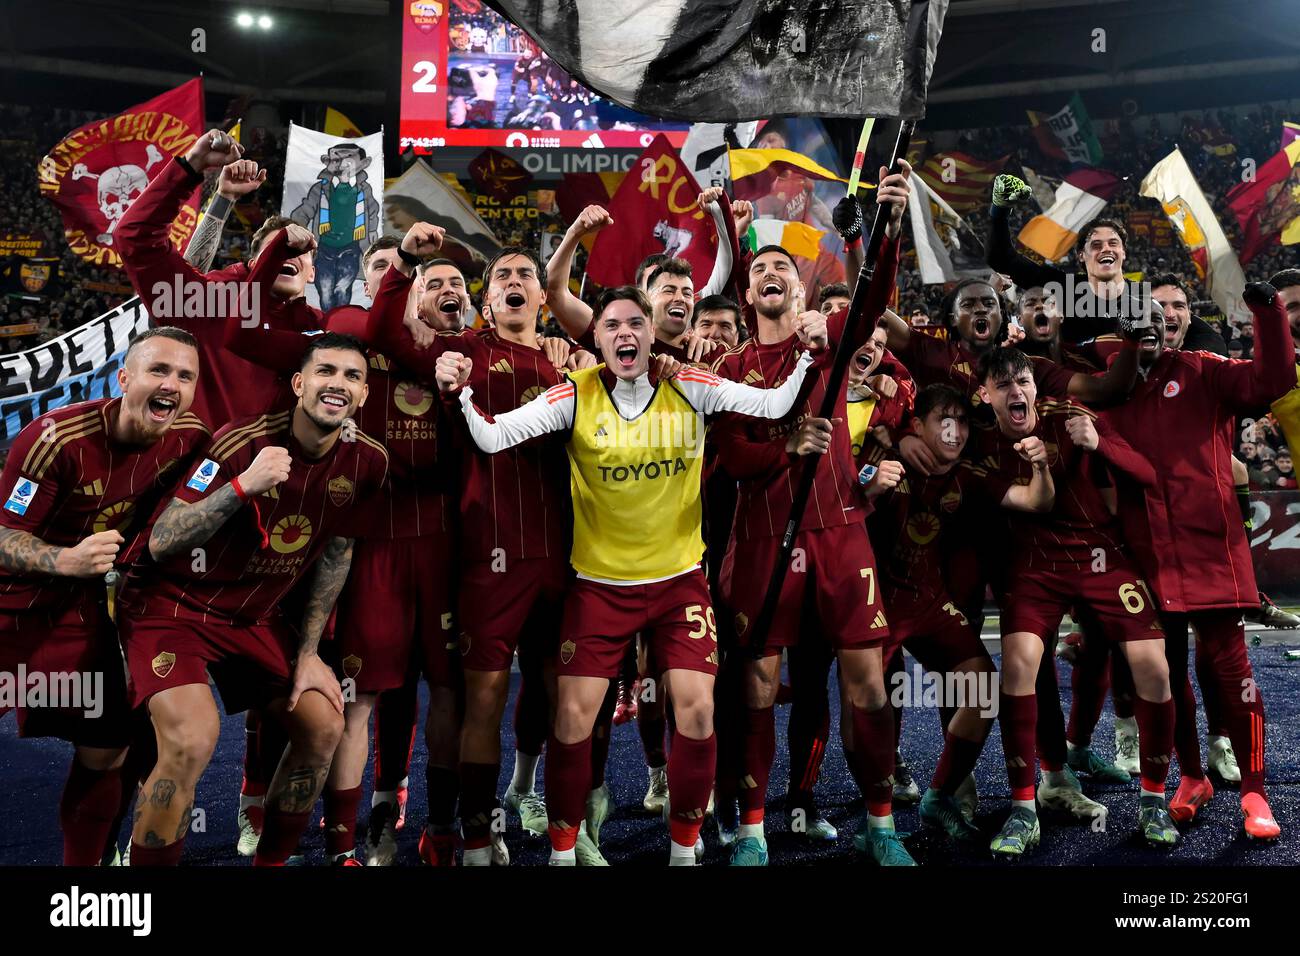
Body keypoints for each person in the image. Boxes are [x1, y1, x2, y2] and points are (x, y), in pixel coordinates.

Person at [439, 285, 826, 865]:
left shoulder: (688, 383)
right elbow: (494, 436)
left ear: (650, 336)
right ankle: (564, 853)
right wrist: (461, 395)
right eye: (612, 325)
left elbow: (771, 407)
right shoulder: (574, 393)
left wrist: (806, 355)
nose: (625, 333)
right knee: (571, 718)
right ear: (595, 340)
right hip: (598, 588)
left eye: (635, 324)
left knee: (696, 709)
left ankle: (683, 851)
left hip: (679, 584)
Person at [220, 230, 470, 865]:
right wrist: (270, 255)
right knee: (348, 693)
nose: (404, 277)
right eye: (385, 268)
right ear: (372, 285)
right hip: (364, 539)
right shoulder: (344, 347)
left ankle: (424, 818)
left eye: (431, 276)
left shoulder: (460, 351)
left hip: (442, 537)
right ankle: (336, 838)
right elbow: (242, 334)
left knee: (442, 687)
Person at [364, 226, 592, 864]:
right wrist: (441, 367)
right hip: (485, 555)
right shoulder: (458, 350)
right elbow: (387, 334)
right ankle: (471, 834)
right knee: (480, 699)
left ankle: (562, 817)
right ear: (486, 303)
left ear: (542, 301)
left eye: (525, 276)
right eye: (502, 278)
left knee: (559, 693)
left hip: (563, 554)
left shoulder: (573, 363)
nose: (515, 283)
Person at [115, 332, 388, 865]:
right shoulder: (242, 443)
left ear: (363, 396)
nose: (338, 384)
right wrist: (242, 486)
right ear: (299, 383)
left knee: (324, 727)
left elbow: (336, 555)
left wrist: (308, 654)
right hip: (174, 606)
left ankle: (270, 863)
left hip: (253, 616)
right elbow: (163, 539)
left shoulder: (367, 462)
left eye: (352, 377)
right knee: (193, 738)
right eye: (326, 371)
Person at [710, 159, 912, 867]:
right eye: (760, 266)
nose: (772, 273)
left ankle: (882, 825)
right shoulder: (731, 370)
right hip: (763, 537)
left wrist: (885, 225)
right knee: (760, 685)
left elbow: (875, 292)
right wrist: (788, 447)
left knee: (865, 681)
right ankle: (756, 828)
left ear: (801, 292)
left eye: (784, 269)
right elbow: (732, 460)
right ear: (748, 289)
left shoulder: (825, 339)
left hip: (842, 531)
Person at [0, 328, 208, 864]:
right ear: (124, 379)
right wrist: (66, 559)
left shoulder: (190, 438)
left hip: (88, 609)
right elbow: (2, 536)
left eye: (185, 376)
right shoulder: (55, 439)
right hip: (12, 602)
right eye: (158, 370)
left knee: (108, 746)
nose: (171, 384)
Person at [1098, 280, 1294, 839]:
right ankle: (1191, 776)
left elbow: (1274, 380)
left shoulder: (1206, 370)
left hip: (1211, 550)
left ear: (1184, 320)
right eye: (1151, 310)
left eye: (1174, 309)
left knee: (1235, 672)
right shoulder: (1110, 382)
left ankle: (1255, 791)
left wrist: (1268, 311)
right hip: (1147, 553)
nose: (1163, 318)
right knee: (1167, 674)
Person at [969, 347, 1179, 856]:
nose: (1017, 391)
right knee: (1017, 668)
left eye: (1023, 381)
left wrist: (1101, 443)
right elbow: (1031, 502)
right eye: (1004, 386)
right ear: (985, 395)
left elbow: (1147, 473)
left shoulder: (1074, 417)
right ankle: (1024, 807)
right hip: (1033, 569)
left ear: (1035, 388)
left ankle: (1153, 799)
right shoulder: (978, 447)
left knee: (1154, 668)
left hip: (1100, 557)